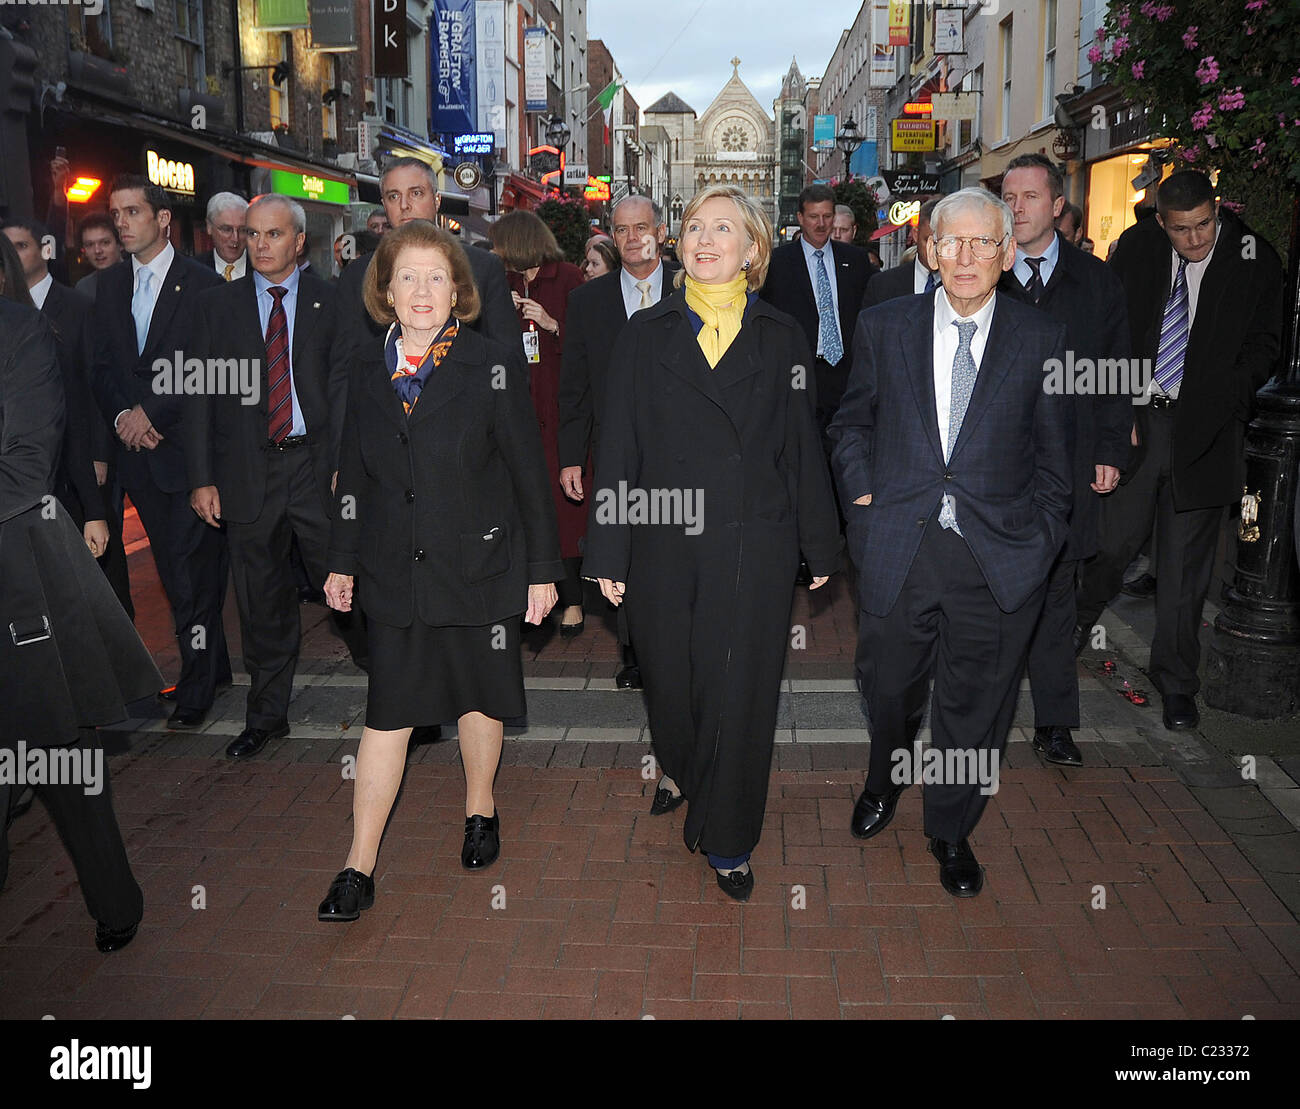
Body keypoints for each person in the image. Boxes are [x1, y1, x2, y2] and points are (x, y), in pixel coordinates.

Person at [584, 185, 842, 902]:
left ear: (753, 249)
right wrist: (606, 549)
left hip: (750, 543)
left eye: (721, 228)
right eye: (695, 226)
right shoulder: (645, 333)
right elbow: (619, 447)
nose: (703, 239)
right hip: (662, 544)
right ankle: (685, 764)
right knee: (672, 685)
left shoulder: (784, 335)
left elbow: (801, 445)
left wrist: (820, 544)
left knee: (743, 690)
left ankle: (730, 834)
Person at [829, 186, 1073, 897]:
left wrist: (1037, 544)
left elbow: (1058, 462)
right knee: (888, 689)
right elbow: (850, 424)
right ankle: (884, 776)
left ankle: (951, 826)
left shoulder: (1042, 339)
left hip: (996, 556)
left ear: (1005, 252)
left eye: (982, 243)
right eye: (951, 243)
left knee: (977, 703)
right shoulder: (884, 325)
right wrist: (863, 499)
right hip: (898, 546)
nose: (965, 257)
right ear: (929, 250)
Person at [319, 221, 562, 920]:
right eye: (407, 278)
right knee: (386, 715)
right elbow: (355, 473)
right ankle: (357, 863)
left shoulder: (490, 360)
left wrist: (542, 570)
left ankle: (480, 806)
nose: (422, 291)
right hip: (395, 570)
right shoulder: (367, 367)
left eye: (435, 278)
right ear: (385, 293)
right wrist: (341, 557)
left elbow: (525, 471)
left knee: (478, 696)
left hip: (478, 564)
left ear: (457, 290)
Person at [1075, 170, 1284, 730]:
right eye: (1182, 230)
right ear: (1161, 221)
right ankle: (1070, 626)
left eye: (1204, 225)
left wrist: (1230, 396)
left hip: (1206, 430)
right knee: (1111, 544)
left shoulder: (1251, 256)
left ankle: (1176, 684)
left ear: (1217, 210)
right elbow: (1108, 332)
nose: (1195, 240)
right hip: (1141, 423)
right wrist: (1117, 415)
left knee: (1184, 570)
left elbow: (1268, 343)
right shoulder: (1138, 248)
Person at [0, 280, 162, 955]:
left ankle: (114, 899)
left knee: (58, 759)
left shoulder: (21, 334)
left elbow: (25, 470)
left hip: (17, 582)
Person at [186, 195, 359, 759]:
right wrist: (202, 477)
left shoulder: (332, 304)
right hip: (247, 472)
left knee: (351, 585)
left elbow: (347, 394)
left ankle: (400, 697)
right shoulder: (216, 308)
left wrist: (345, 467)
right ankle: (265, 715)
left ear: (298, 242)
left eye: (273, 234)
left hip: (317, 470)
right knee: (260, 603)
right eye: (253, 235)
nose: (259, 244)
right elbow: (199, 400)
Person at [999, 154, 1132, 766]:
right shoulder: (983, 272)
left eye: (1029, 197)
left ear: (1057, 207)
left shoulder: (1095, 279)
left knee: (1056, 596)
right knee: (990, 599)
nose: (1017, 208)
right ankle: (979, 723)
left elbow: (1115, 370)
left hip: (1067, 463)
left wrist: (1109, 449)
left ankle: (1056, 724)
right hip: (993, 467)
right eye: (1009, 196)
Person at [89, 174, 232, 729]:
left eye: (131, 212)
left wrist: (154, 410)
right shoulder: (105, 286)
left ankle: (197, 685)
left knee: (191, 574)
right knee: (177, 575)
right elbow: (101, 367)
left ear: (162, 218)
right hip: (137, 454)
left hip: (188, 452)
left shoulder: (200, 285)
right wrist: (126, 415)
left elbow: (207, 365)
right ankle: (211, 666)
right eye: (115, 213)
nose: (120, 222)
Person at [558, 195, 678, 689]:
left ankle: (674, 645)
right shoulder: (588, 301)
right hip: (614, 453)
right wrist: (571, 459)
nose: (632, 238)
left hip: (680, 450)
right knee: (623, 552)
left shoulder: (691, 287)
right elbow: (574, 387)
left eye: (641, 228)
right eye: (622, 229)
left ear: (661, 230)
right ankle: (634, 654)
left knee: (671, 548)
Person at [489, 212, 587, 636]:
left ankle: (573, 600)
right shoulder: (501, 284)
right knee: (521, 505)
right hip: (516, 406)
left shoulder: (567, 278)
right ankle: (528, 597)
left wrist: (550, 324)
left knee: (563, 511)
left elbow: (587, 347)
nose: (494, 252)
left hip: (558, 408)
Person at [2, 220, 113, 581]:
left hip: (49, 487)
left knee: (81, 588)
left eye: (23, 246)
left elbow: (79, 406)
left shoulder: (40, 324)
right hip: (31, 492)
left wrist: (95, 506)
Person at [760, 183, 875, 453]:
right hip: (799, 372)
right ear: (800, 218)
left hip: (845, 371)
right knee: (803, 449)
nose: (821, 224)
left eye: (827, 216)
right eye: (814, 217)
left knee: (847, 448)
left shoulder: (856, 260)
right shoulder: (776, 264)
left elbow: (868, 310)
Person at [862, 197, 941, 307]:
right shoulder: (882, 285)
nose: (934, 250)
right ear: (915, 234)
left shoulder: (964, 284)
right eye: (929, 241)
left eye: (944, 242)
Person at [195, 192, 248, 281]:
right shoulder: (194, 271)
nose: (235, 238)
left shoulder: (263, 269)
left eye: (242, 230)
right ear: (209, 227)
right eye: (227, 229)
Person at [75, 212, 123, 300]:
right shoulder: (84, 288)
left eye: (105, 242)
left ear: (120, 244)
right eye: (89, 245)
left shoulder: (139, 280)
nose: (97, 251)